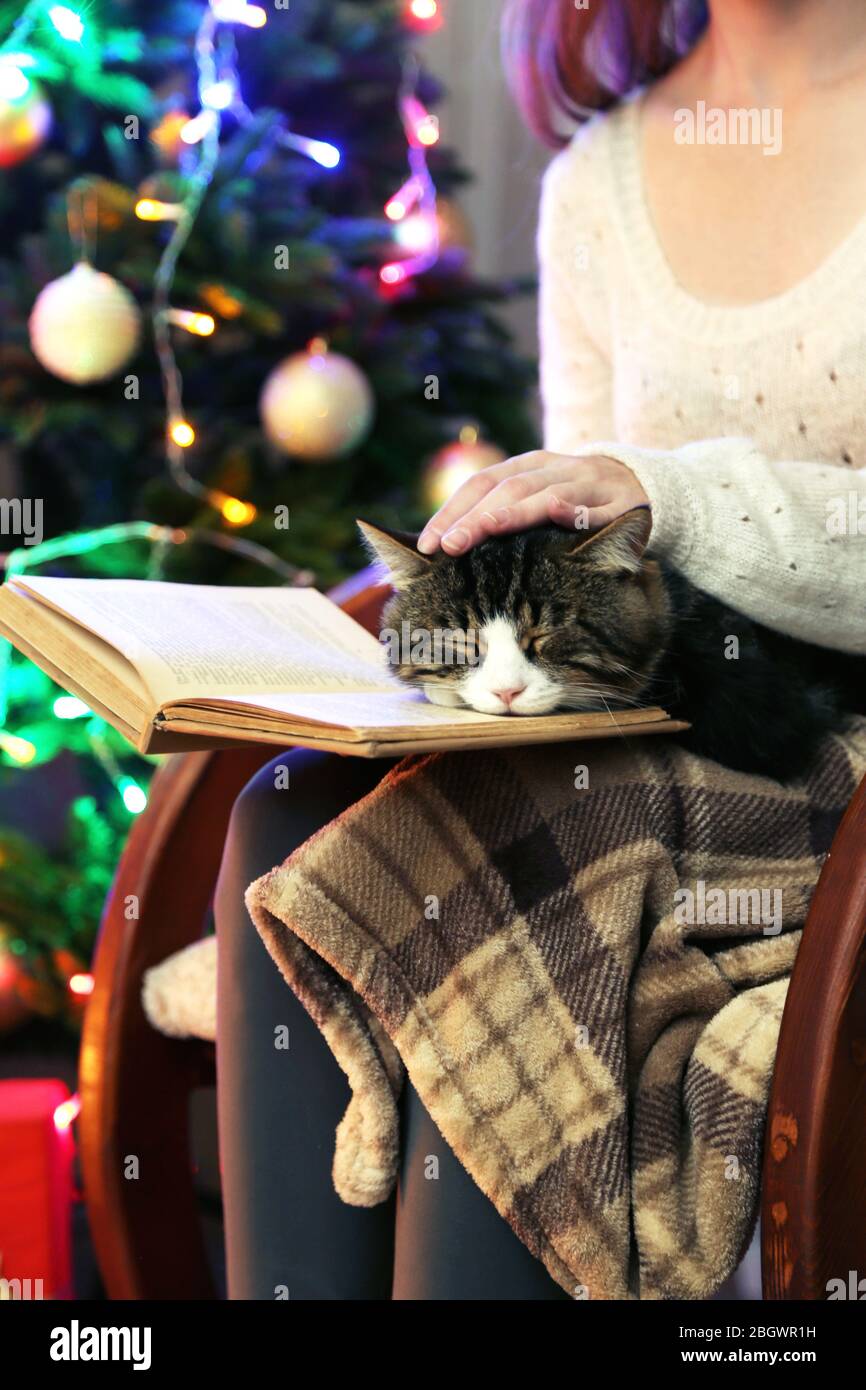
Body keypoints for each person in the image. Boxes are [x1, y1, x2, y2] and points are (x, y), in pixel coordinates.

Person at [215, 0, 866, 1300]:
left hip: (824, 752)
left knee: (503, 865)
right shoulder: (596, 183)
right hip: (664, 726)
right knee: (281, 804)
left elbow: (633, 501)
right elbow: (575, 562)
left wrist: (665, 492)